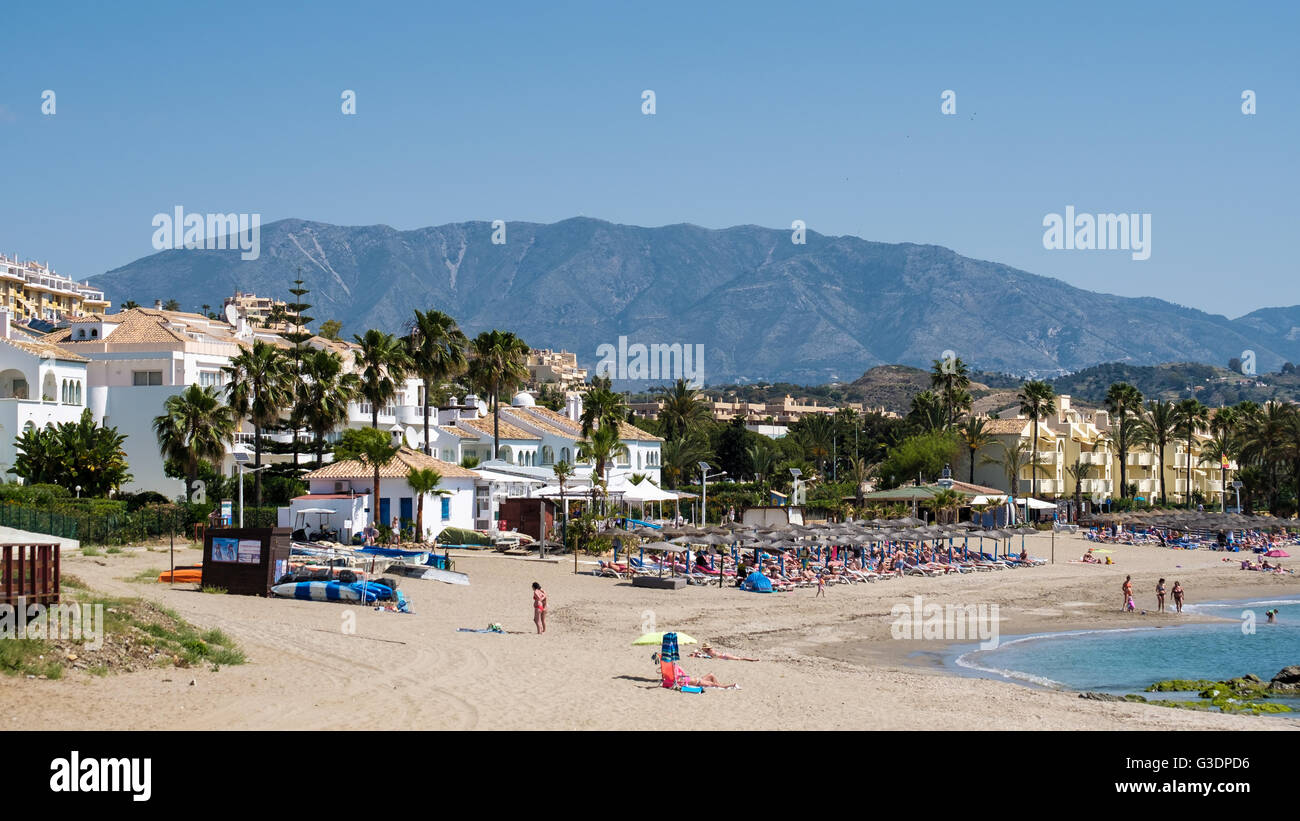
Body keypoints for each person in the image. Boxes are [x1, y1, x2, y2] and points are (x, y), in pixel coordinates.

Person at [651, 652, 734, 689]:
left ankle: (719, 686)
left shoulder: (673, 669)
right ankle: (727, 686)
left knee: (711, 675)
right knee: (714, 684)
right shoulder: (674, 675)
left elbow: (665, 674)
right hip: (697, 682)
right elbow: (671, 678)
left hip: (697, 679)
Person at [691, 645, 759, 662]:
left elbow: (709, 656)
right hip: (724, 655)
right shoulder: (709, 651)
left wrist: (697, 653)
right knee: (739, 658)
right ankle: (753, 660)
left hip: (724, 656)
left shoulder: (710, 652)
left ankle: (753, 660)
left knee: (739, 659)